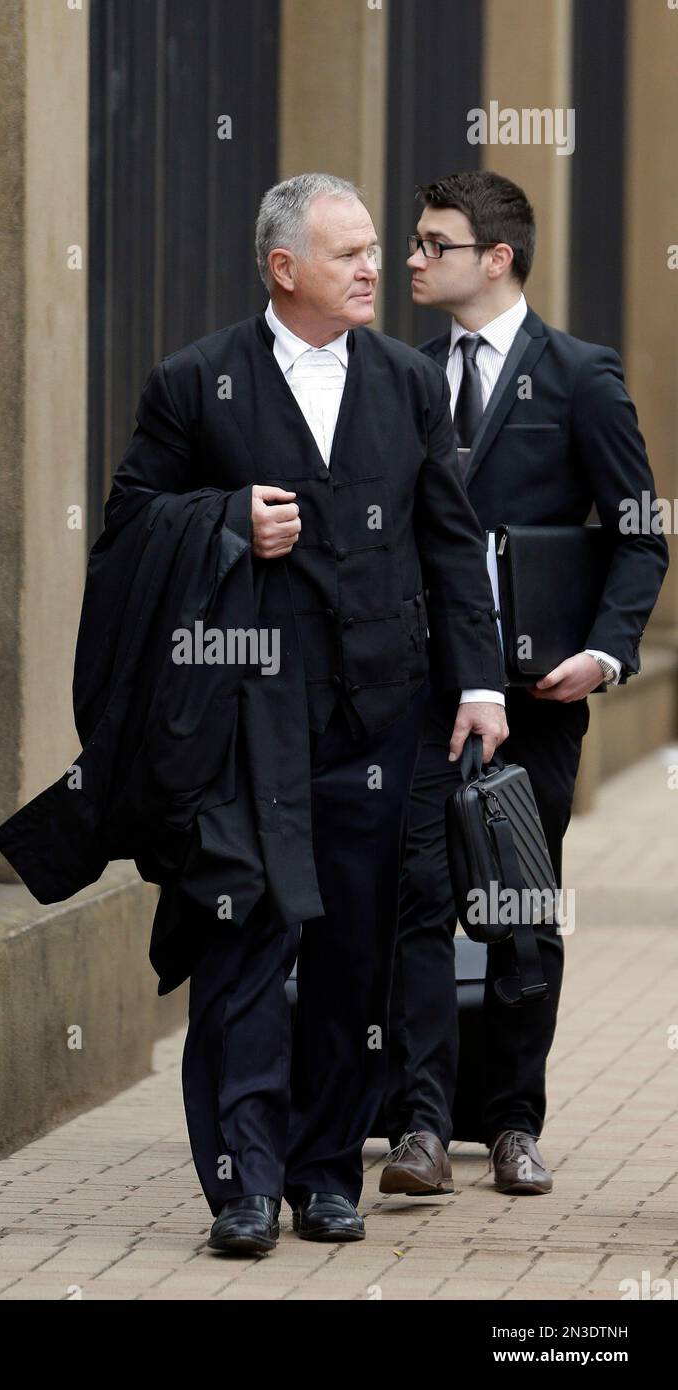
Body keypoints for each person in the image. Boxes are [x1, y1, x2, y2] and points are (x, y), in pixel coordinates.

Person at [105, 172, 507, 1253]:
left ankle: (327, 1170)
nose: (377, 267)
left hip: (376, 718)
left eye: (378, 249)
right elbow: (129, 523)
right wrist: (225, 519)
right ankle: (242, 1183)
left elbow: (449, 538)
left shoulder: (407, 385)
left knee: (349, 953)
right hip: (241, 724)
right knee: (240, 946)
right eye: (350, 253)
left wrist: (477, 682)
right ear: (283, 269)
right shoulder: (196, 384)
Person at [380, 170, 670, 1200]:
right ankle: (419, 1126)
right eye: (411, 242)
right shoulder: (403, 377)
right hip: (419, 693)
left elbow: (641, 533)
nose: (410, 258)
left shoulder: (580, 376)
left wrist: (604, 653)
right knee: (415, 905)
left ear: (494, 258)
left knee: (517, 911)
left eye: (432, 243)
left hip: (534, 698)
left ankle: (511, 1123)